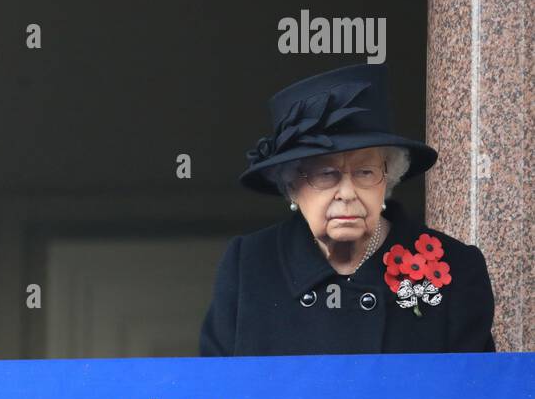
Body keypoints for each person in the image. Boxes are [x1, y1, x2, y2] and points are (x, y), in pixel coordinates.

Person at [200, 63, 495, 356]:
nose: (347, 193)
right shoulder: (250, 267)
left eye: (365, 172)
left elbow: (477, 396)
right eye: (325, 174)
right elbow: (219, 392)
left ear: (388, 178)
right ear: (291, 186)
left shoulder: (455, 267)